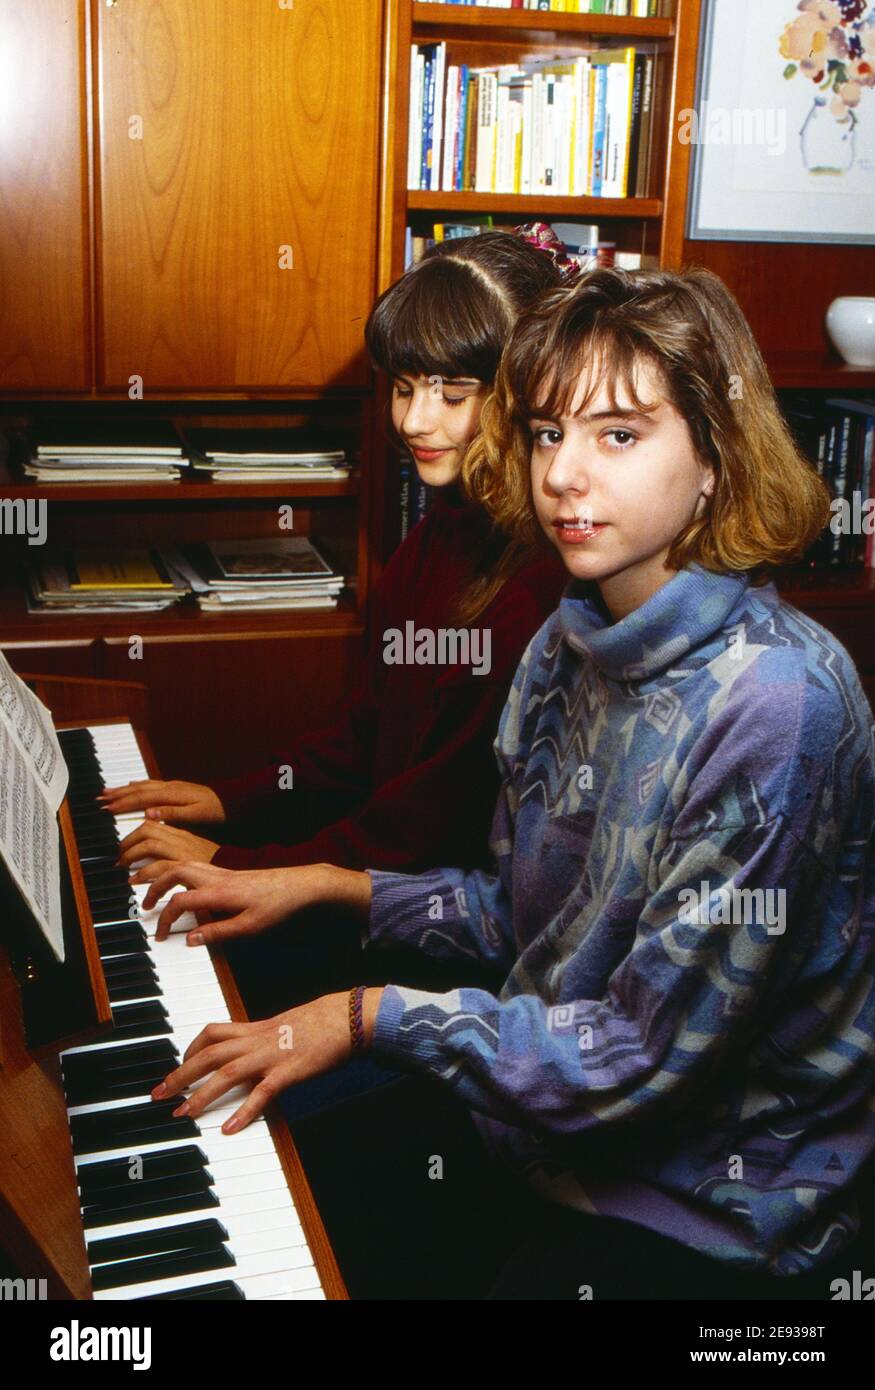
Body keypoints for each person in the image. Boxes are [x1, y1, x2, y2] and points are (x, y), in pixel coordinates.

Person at [138, 266, 875, 1299]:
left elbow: (639, 1055)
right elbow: (518, 913)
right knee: (225, 1149)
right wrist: (313, 883)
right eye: (543, 432)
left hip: (706, 1208)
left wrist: (363, 1015)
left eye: (617, 434)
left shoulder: (775, 702)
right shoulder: (569, 641)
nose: (563, 474)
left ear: (713, 453)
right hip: (533, 1120)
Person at [101, 233, 564, 887]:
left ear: (526, 394)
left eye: (452, 396)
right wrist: (231, 800)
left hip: (431, 924)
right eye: (402, 388)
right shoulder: (438, 537)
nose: (412, 420)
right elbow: (366, 737)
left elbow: (419, 834)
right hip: (372, 876)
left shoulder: (538, 592)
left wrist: (237, 865)